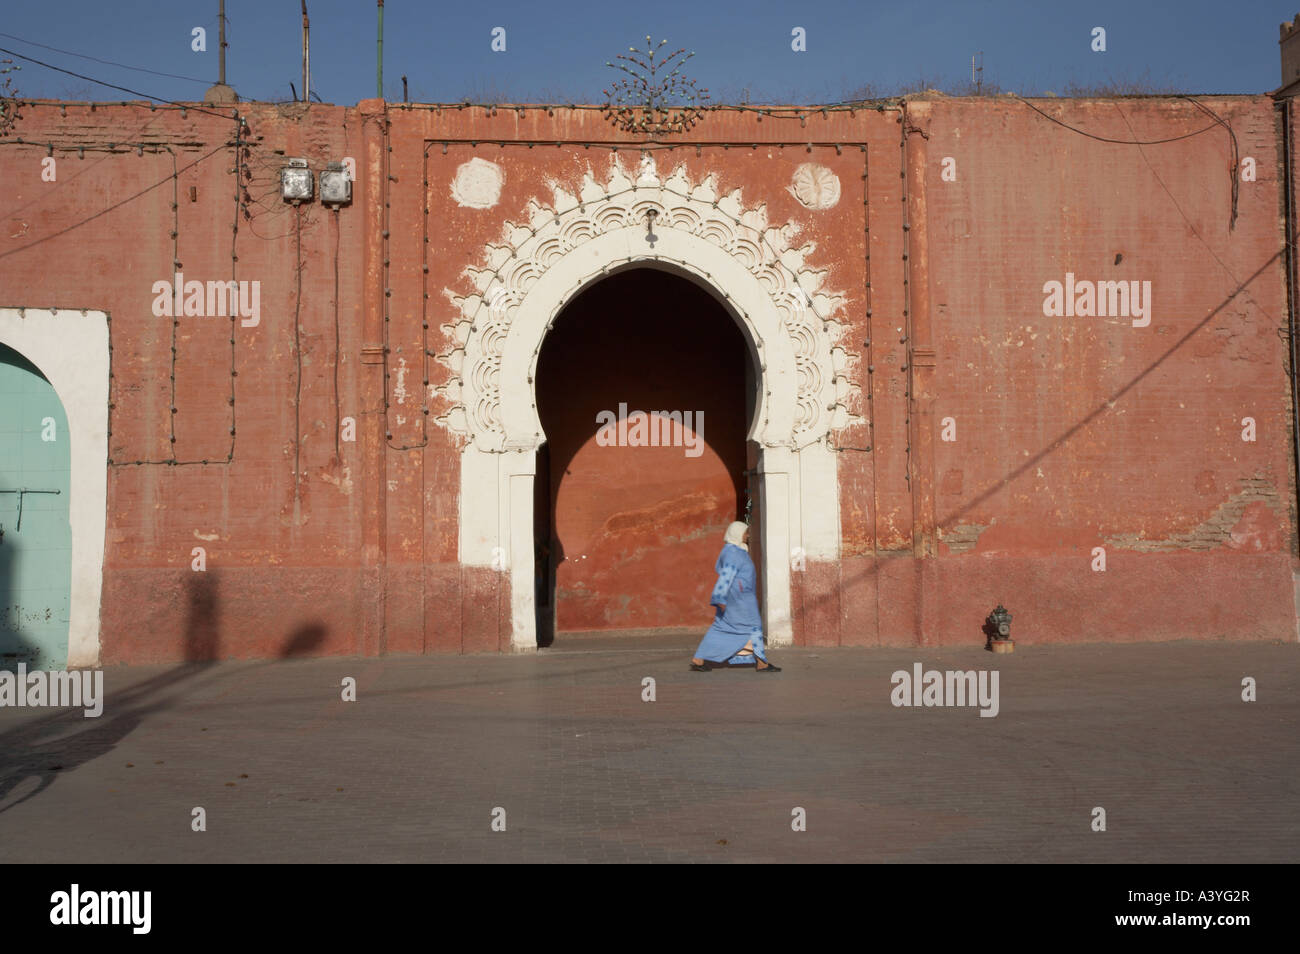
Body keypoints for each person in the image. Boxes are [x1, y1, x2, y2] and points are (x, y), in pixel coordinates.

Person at [690, 521, 781, 673]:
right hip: (739, 599)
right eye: (745, 533)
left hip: (738, 597)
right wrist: (719, 597)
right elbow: (726, 576)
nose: (748, 535)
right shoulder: (733, 553)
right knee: (754, 627)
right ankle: (761, 663)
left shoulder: (734, 551)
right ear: (737, 534)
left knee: (721, 627)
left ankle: (699, 659)